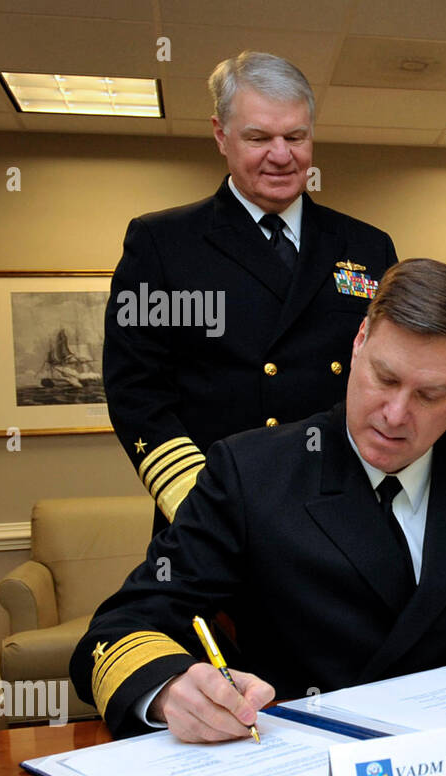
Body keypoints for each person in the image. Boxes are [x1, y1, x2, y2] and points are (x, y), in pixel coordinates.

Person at [73, 259, 446, 740]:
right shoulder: (252, 473)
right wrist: (167, 691)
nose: (394, 414)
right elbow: (125, 625)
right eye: (384, 378)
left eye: (430, 395)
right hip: (307, 773)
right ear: (359, 342)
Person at [103, 51, 397, 535]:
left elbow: (388, 376)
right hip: (215, 505)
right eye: (259, 138)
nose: (281, 155)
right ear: (221, 135)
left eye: (296, 137)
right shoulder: (163, 243)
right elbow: (136, 390)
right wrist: (202, 501)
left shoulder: (367, 245)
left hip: (341, 506)